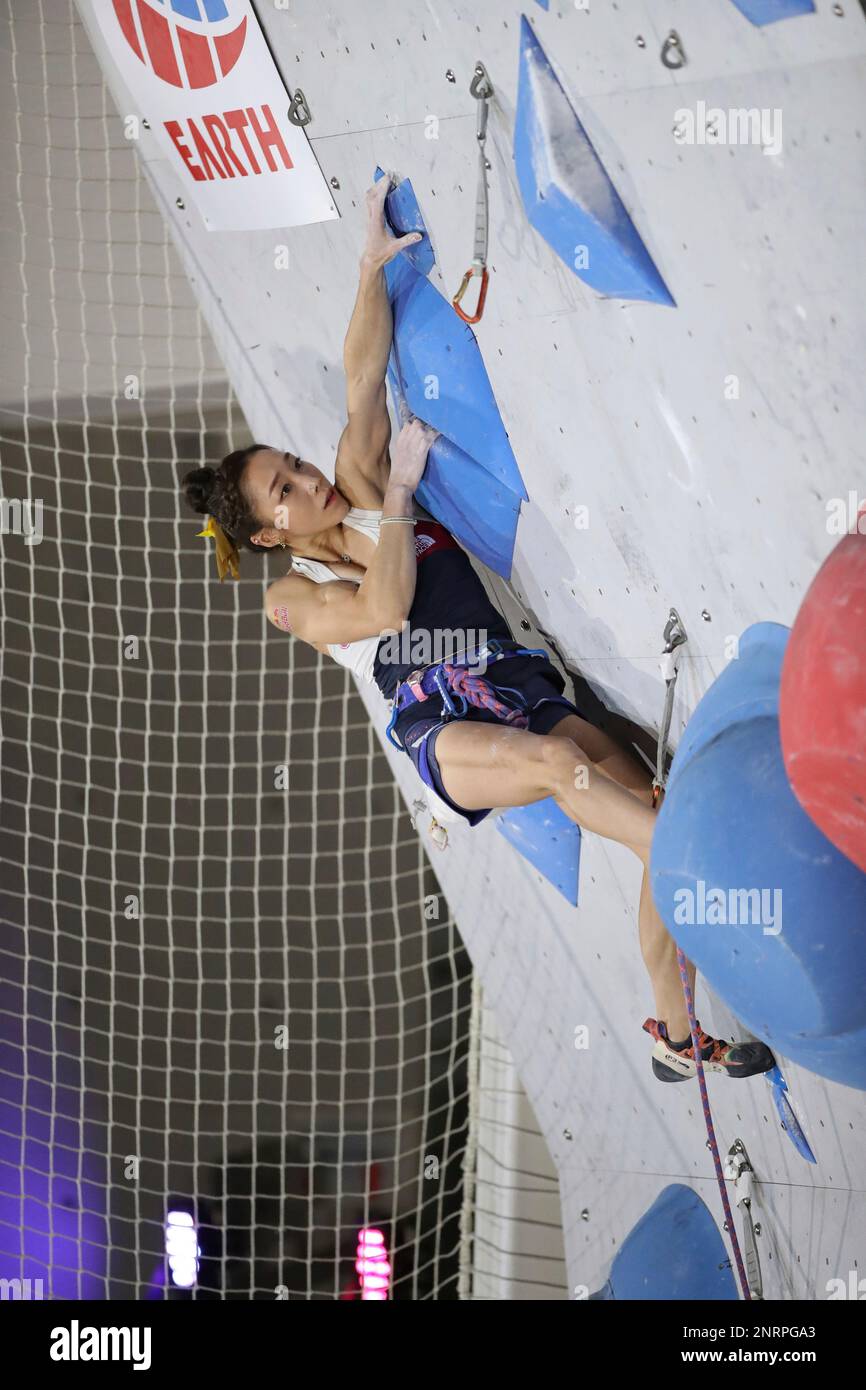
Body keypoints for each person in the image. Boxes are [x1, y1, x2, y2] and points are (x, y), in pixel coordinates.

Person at [182, 179, 775, 1084]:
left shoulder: (355, 469)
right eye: (286, 492)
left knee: (648, 803)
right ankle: (697, 855)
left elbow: (362, 375)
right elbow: (385, 612)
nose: (310, 482)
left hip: (511, 677)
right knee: (563, 773)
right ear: (271, 534)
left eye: (295, 464)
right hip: (437, 714)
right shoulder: (294, 595)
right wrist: (401, 496)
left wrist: (370, 270)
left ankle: (670, 1023)